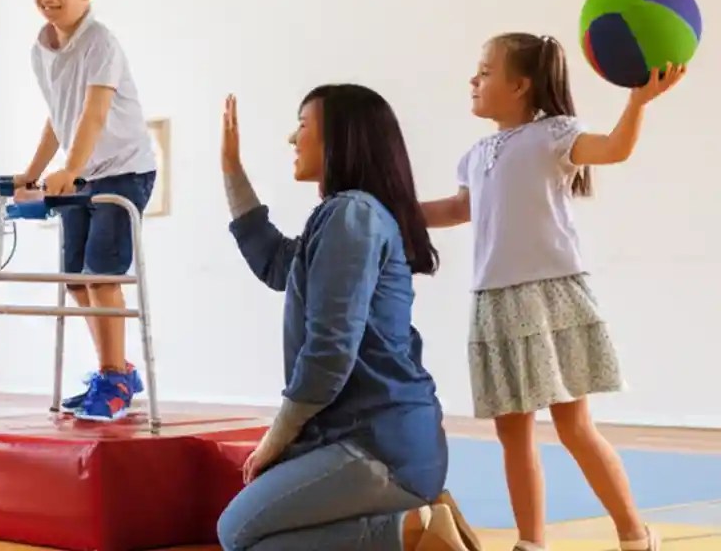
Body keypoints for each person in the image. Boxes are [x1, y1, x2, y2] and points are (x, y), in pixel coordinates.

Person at [420, 33, 684, 551]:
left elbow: (614, 149)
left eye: (485, 71)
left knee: (574, 427)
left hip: (551, 296)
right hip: (494, 300)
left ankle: (635, 534)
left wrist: (636, 102)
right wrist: (390, 205)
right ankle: (531, 542)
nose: (473, 80)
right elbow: (456, 210)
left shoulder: (555, 135)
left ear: (520, 85)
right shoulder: (475, 154)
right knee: (512, 434)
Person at [216, 88, 481, 551]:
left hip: (381, 444)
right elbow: (275, 262)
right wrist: (231, 170)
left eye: (302, 124)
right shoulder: (345, 216)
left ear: (338, 137)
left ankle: (415, 534)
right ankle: (414, 528)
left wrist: (275, 440)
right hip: (369, 438)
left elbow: (329, 352)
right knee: (249, 529)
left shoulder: (353, 215)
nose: (291, 138)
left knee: (239, 533)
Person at [7, 0, 158, 422]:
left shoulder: (100, 43)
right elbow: (59, 116)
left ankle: (114, 377)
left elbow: (92, 115)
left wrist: (70, 170)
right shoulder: (43, 48)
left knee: (102, 274)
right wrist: (32, 173)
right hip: (84, 173)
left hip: (123, 169)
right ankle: (116, 370)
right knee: (76, 279)